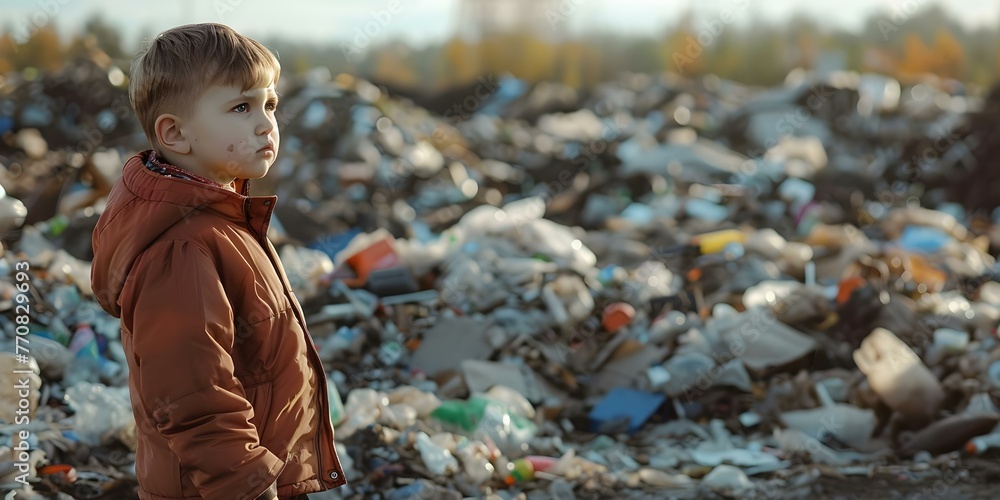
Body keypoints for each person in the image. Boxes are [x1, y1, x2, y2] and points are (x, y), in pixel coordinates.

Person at [90, 23, 347, 500]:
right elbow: (192, 394)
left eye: (270, 104)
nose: (266, 123)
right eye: (241, 107)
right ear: (175, 133)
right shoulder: (182, 246)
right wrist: (245, 481)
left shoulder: (221, 219)